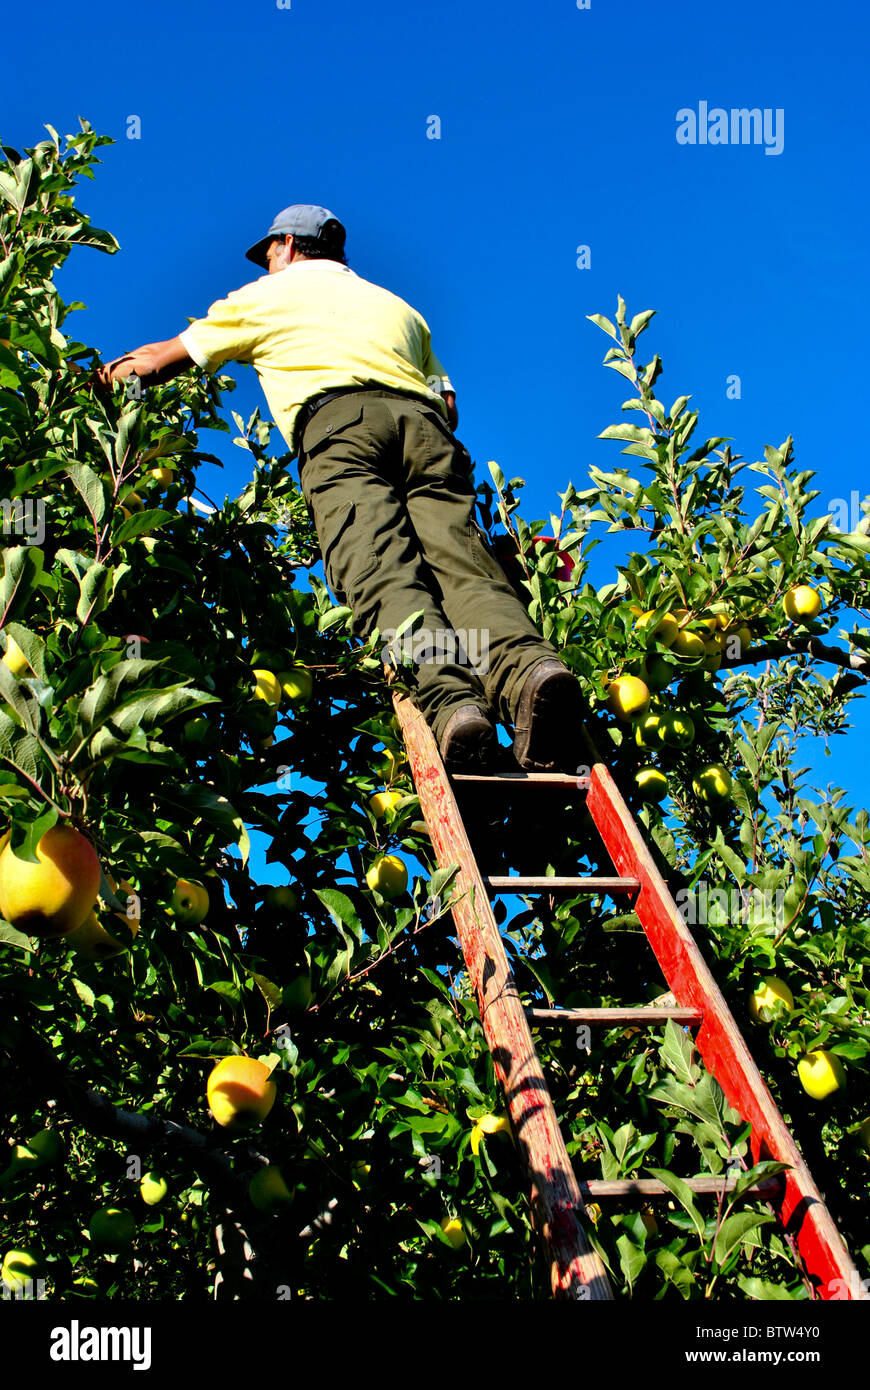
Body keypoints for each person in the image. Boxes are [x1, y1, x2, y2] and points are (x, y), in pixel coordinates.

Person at [98, 204, 584, 772]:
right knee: (464, 569)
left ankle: (454, 706)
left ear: (288, 245)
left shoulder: (263, 297)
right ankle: (530, 674)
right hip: (427, 434)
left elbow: (157, 363)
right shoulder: (400, 308)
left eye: (270, 252)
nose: (268, 262)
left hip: (339, 430)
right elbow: (449, 405)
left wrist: (97, 383)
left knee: (381, 572)